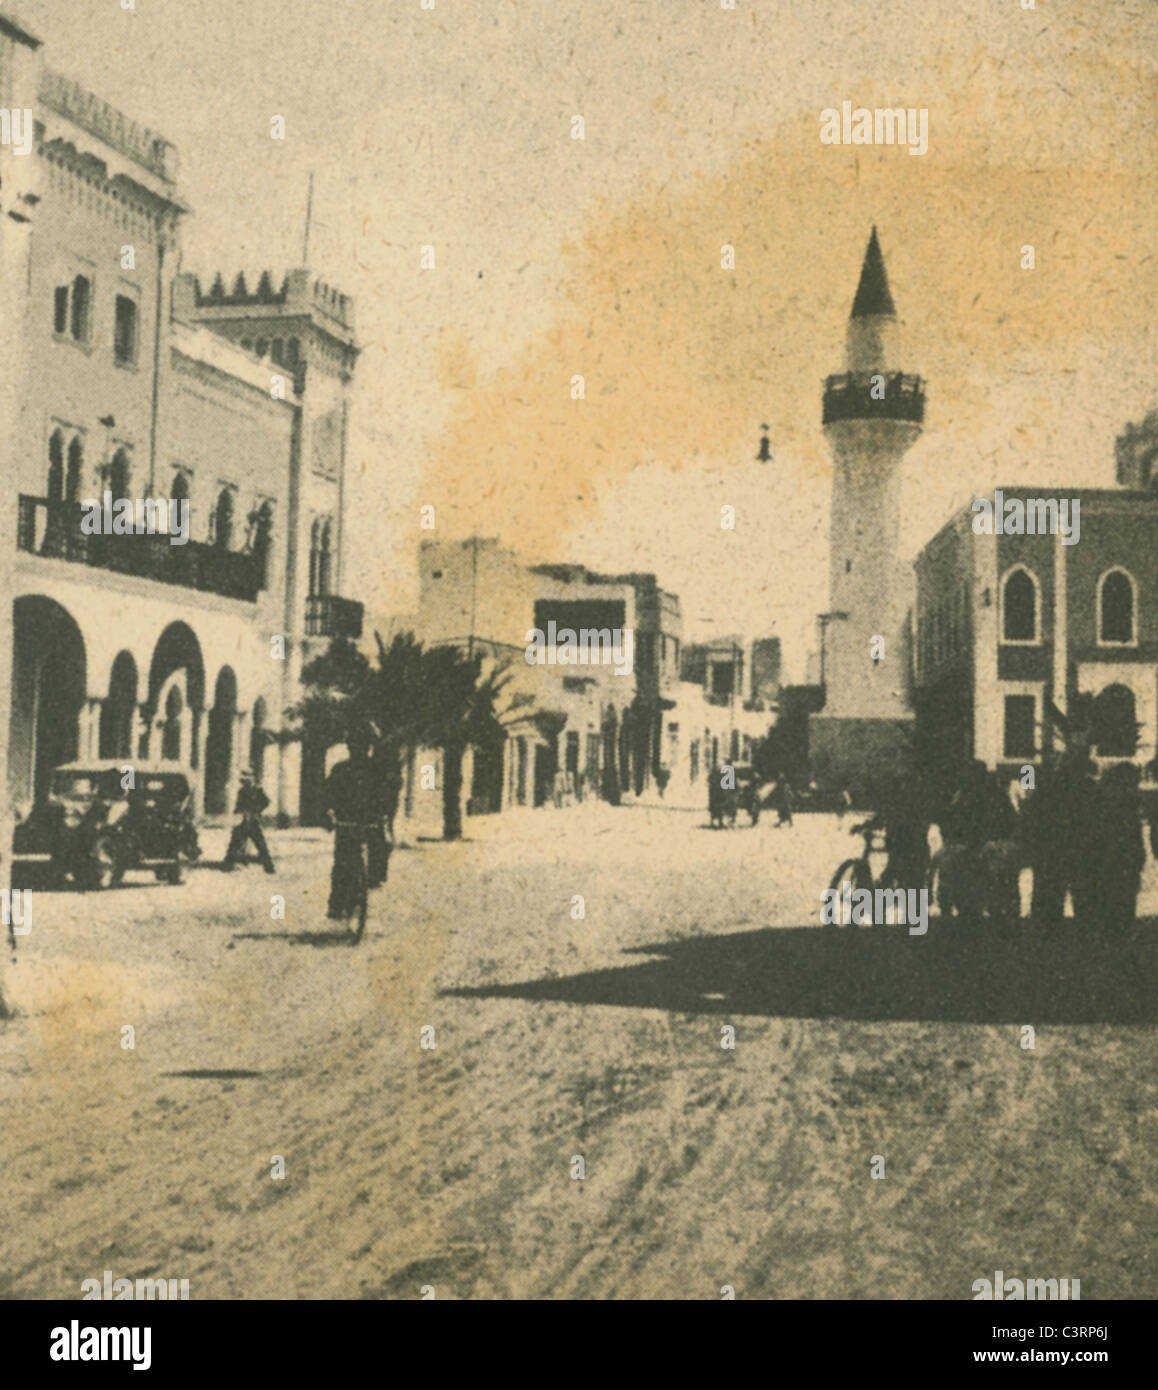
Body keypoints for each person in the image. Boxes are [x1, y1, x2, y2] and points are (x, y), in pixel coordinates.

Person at [322, 733, 378, 920]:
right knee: (342, 863)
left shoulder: (375, 770)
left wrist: (384, 815)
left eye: (363, 746)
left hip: (370, 821)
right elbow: (328, 793)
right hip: (346, 822)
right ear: (350, 748)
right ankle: (336, 904)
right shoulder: (340, 769)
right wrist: (329, 813)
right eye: (355, 746)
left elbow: (385, 794)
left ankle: (372, 882)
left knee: (380, 850)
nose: (359, 750)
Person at [222, 770, 275, 874]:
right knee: (234, 843)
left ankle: (269, 867)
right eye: (243, 779)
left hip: (253, 821)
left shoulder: (257, 790)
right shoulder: (241, 791)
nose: (245, 780)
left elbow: (266, 802)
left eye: (247, 778)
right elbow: (238, 805)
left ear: (251, 778)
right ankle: (227, 865)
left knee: (261, 844)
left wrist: (256, 811)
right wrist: (237, 814)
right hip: (242, 821)